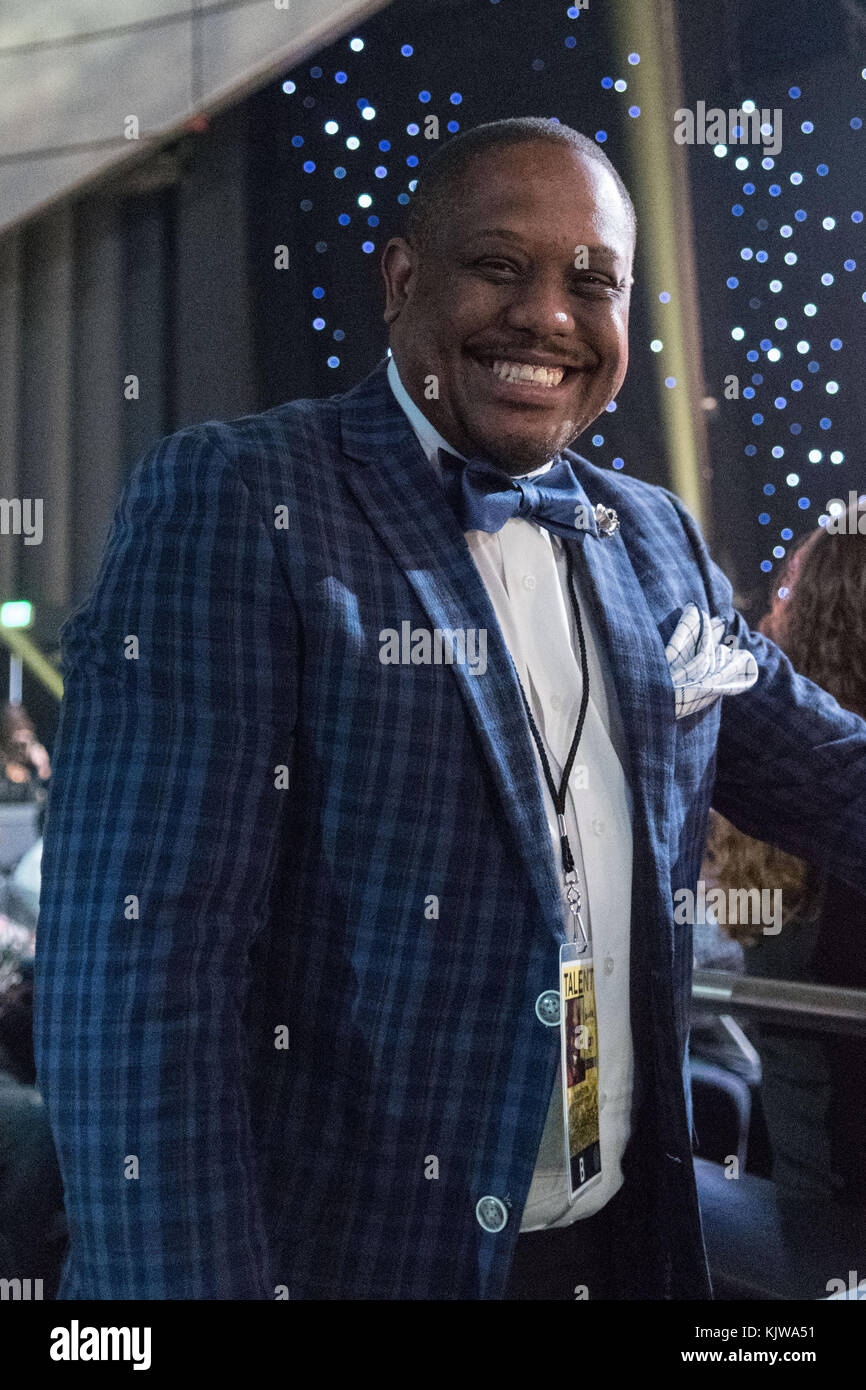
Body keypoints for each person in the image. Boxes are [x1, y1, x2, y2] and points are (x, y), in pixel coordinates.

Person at [33, 116, 866, 1301]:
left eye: (594, 281)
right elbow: (137, 981)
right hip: (338, 1261)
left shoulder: (654, 540)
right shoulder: (243, 497)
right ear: (400, 277)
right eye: (497, 266)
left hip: (618, 1245)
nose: (548, 315)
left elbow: (834, 774)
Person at [703, 511, 866, 1210]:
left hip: (801, 1165)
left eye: (788, 591)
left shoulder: (761, 774)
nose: (774, 607)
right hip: (837, 1184)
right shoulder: (824, 779)